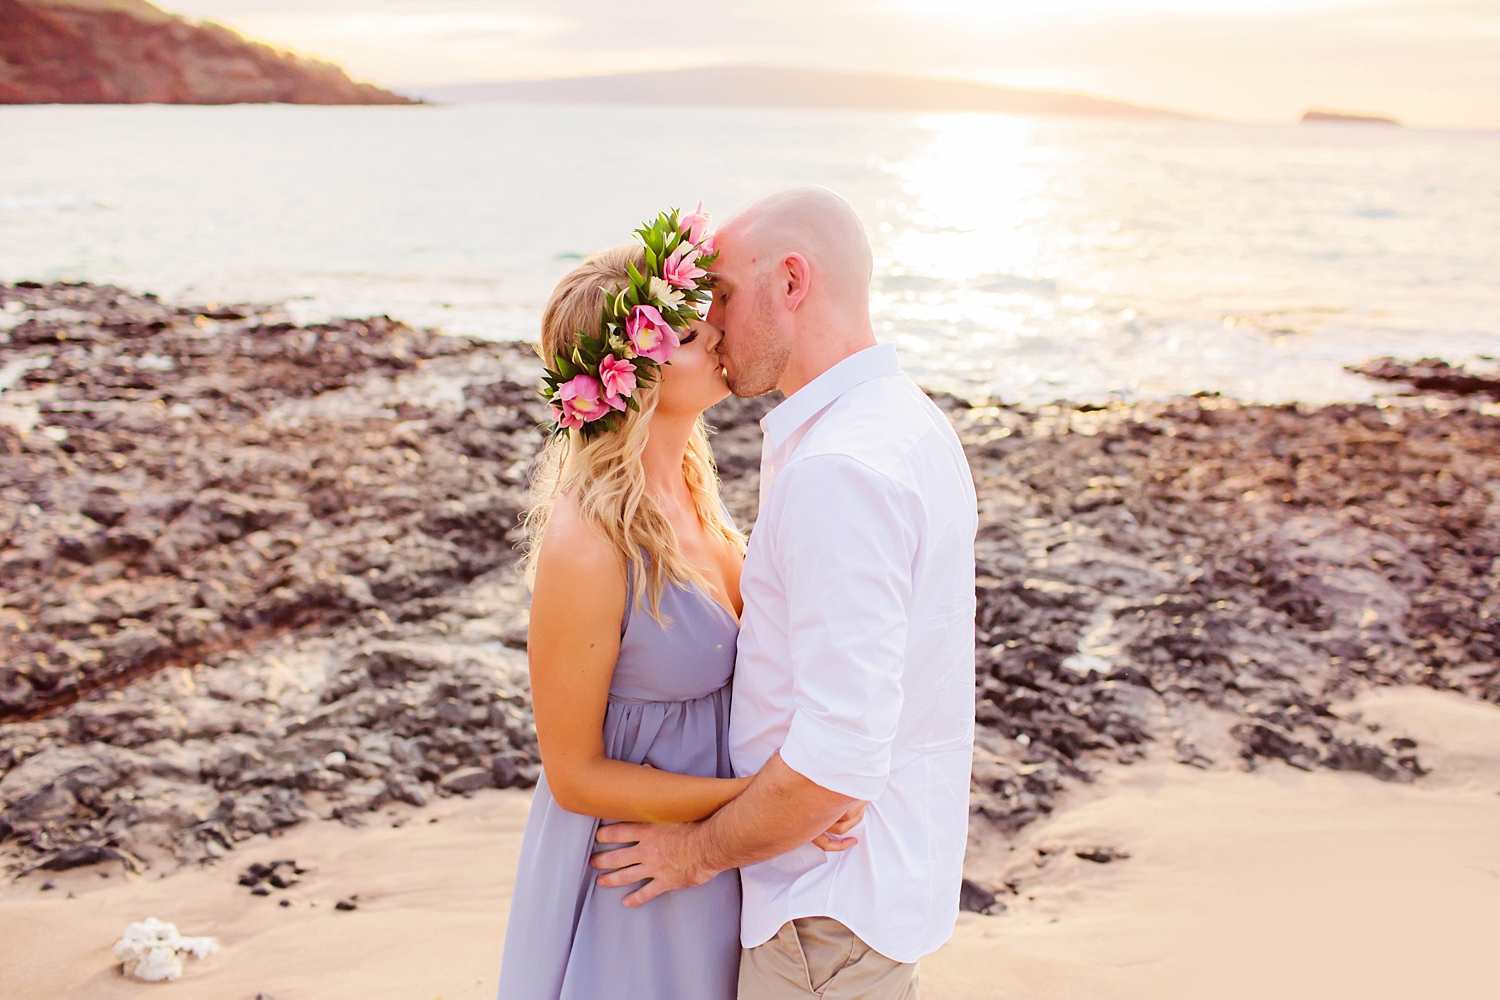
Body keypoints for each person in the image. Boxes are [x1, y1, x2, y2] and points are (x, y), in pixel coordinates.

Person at [590, 187, 979, 999]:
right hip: (864, 896)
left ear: (793, 283)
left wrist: (689, 853)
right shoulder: (904, 423)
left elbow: (839, 754)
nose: (713, 323)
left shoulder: (841, 467)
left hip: (821, 916)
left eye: (725, 295)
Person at [496, 209, 858, 1000]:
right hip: (633, 871)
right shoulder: (589, 541)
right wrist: (769, 807)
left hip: (712, 856)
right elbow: (573, 773)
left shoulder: (700, 488)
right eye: (694, 331)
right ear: (635, 376)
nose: (724, 332)